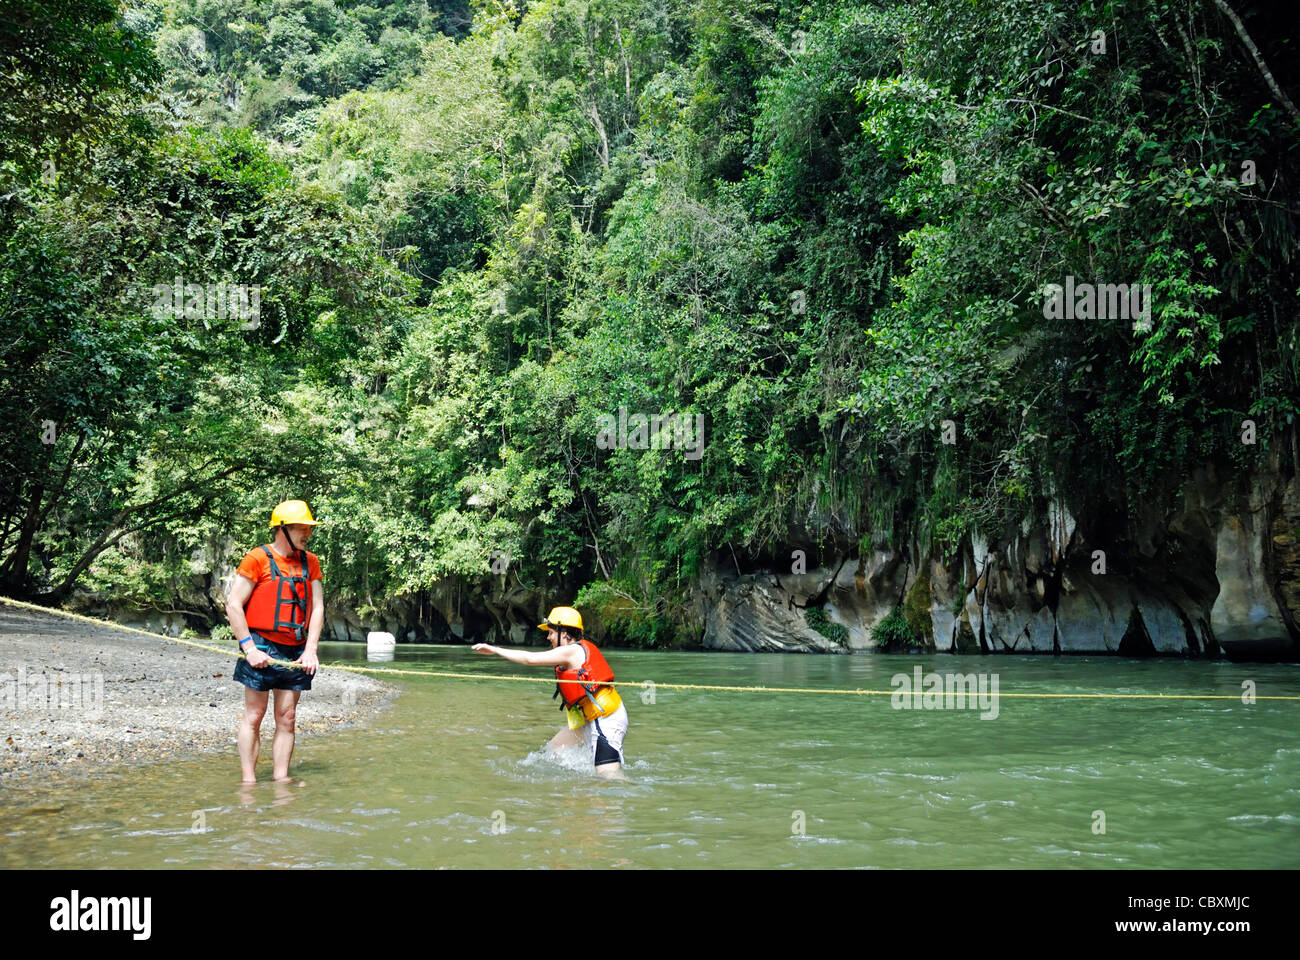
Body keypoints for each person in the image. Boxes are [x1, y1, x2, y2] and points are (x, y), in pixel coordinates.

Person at [225, 500, 323, 783]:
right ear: (283, 529)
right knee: (255, 715)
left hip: (295, 649)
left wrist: (311, 650)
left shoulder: (311, 562)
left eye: (309, 528)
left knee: (287, 717)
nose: (308, 533)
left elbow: (317, 608)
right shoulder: (257, 559)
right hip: (260, 645)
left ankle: (281, 781)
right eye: (302, 528)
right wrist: (249, 648)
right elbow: (233, 605)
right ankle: (248, 782)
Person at [472, 606, 627, 777]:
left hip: (607, 718)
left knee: (607, 778)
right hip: (589, 719)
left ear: (564, 632)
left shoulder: (572, 651)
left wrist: (495, 650)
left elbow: (530, 659)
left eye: (551, 632)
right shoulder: (571, 651)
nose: (548, 637)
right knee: (554, 750)